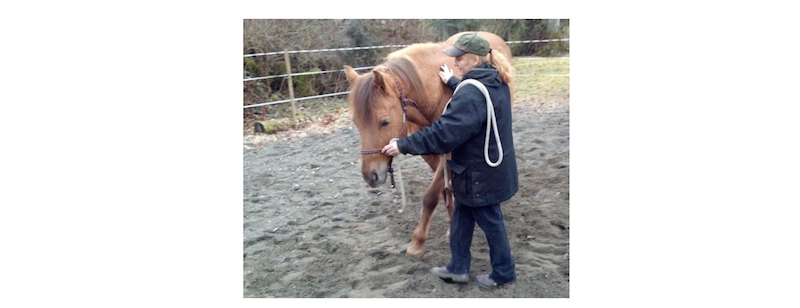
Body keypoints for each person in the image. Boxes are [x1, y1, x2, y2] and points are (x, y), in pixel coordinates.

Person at [381, 32, 518, 289]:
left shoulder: (471, 94)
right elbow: (476, 100)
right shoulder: (494, 80)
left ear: (475, 60)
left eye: (460, 59)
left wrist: (403, 145)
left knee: (491, 222)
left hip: (480, 174)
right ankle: (458, 267)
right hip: (479, 169)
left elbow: (443, 134)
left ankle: (504, 272)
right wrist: (453, 82)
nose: (455, 63)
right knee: (461, 216)